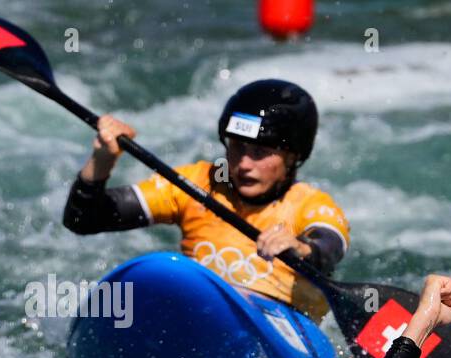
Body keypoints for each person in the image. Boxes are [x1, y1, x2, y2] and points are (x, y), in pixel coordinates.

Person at [62, 79, 349, 321]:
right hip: (201, 318)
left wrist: (300, 249)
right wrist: (102, 161)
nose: (245, 164)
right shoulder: (195, 184)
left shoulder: (311, 205)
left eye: (261, 152)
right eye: (237, 147)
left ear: (293, 156)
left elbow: (328, 248)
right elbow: (83, 219)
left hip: (280, 328)